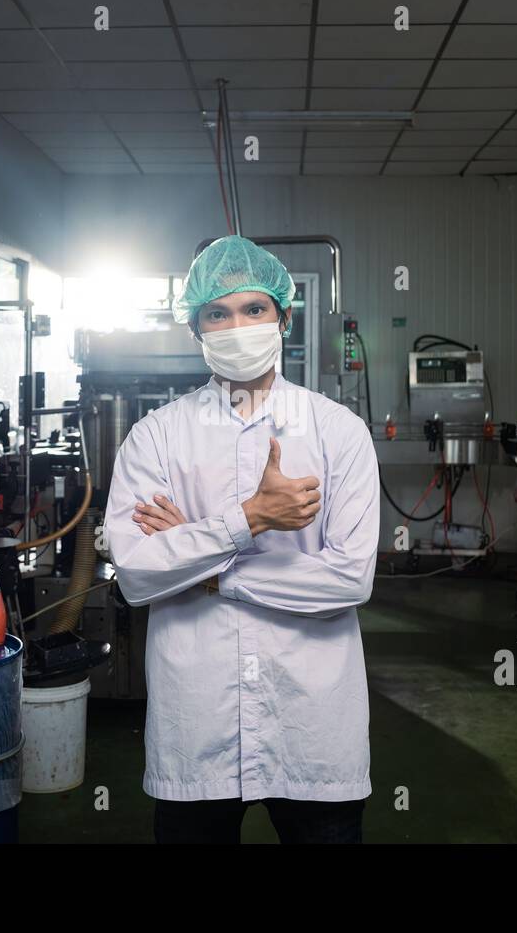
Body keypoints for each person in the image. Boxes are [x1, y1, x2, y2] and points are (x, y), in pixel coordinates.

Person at [104, 235, 381, 844]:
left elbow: (349, 578)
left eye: (254, 309)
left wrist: (206, 570)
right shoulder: (156, 438)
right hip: (196, 723)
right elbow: (137, 574)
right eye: (217, 314)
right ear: (195, 329)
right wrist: (250, 519)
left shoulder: (340, 433)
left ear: (284, 316)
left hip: (313, 724)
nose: (238, 326)